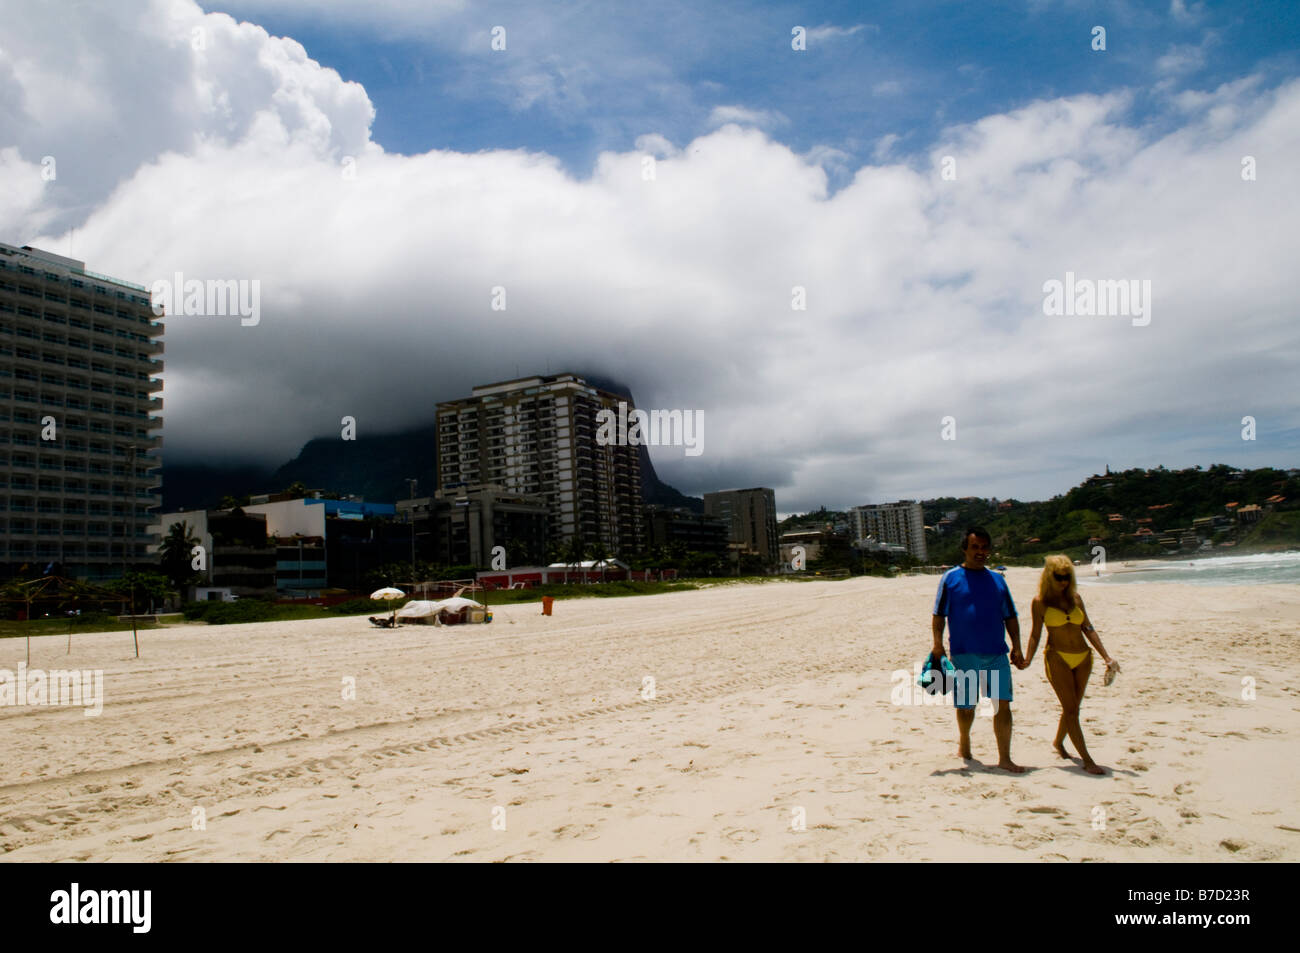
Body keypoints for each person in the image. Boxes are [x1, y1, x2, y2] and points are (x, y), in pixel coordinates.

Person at [931, 527, 1025, 772]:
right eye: (975, 547)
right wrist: (937, 644)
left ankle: (1005, 757)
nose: (981, 552)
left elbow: (1010, 616)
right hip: (964, 653)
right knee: (966, 705)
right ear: (965, 549)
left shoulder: (997, 579)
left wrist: (1017, 646)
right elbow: (939, 614)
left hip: (996, 652)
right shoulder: (950, 578)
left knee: (1002, 704)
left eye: (984, 547)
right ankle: (965, 740)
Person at [1023, 555, 1118, 775]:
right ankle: (1087, 759)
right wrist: (1028, 659)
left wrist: (1106, 657)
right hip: (1057, 658)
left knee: (1072, 708)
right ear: (1049, 576)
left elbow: (1088, 628)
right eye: (1059, 577)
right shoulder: (1040, 602)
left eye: (1067, 577)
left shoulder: (1076, 598)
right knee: (1072, 709)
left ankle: (1058, 742)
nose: (1064, 581)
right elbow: (1035, 635)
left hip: (1083, 658)